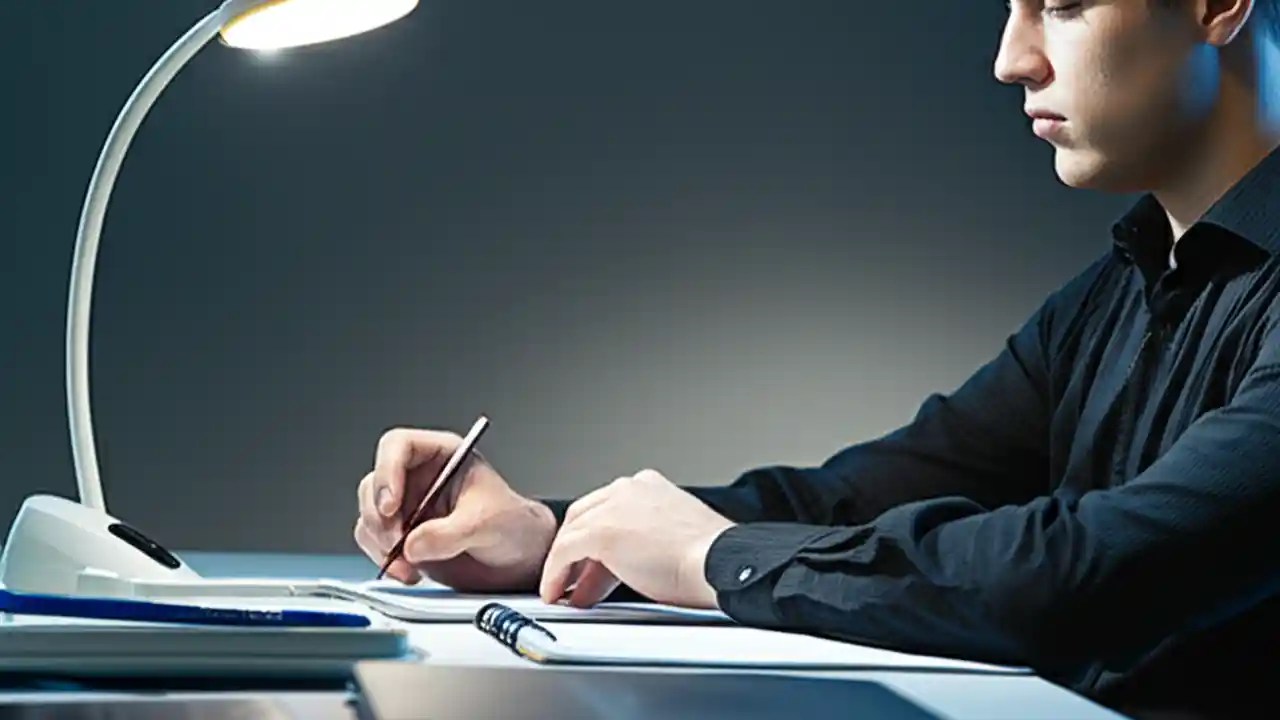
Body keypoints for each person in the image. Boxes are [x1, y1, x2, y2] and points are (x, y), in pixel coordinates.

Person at [355, 2, 1280, 717]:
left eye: (1064, 6)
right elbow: (857, 498)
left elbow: (1085, 574)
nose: (1011, 57)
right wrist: (545, 535)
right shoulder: (1114, 292)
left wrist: (716, 557)